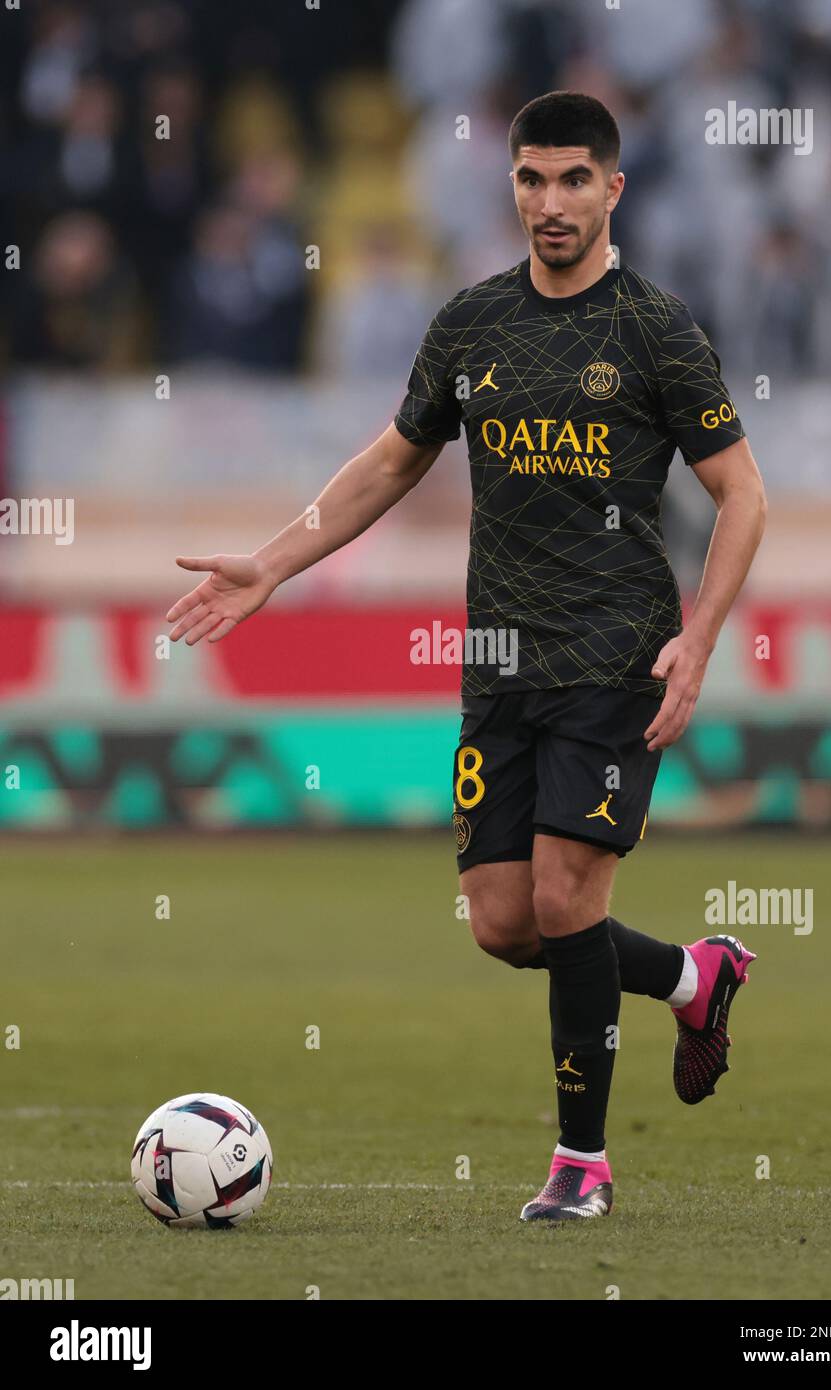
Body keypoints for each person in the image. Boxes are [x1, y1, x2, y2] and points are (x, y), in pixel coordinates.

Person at [166, 91, 766, 1223]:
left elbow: (741, 493)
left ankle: (579, 1169)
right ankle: (695, 976)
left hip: (615, 653)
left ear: (612, 190)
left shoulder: (656, 329)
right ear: (511, 188)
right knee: (505, 921)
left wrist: (699, 635)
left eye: (573, 180)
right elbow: (392, 462)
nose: (550, 202)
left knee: (564, 892)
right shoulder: (471, 326)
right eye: (531, 180)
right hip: (496, 659)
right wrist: (272, 562)